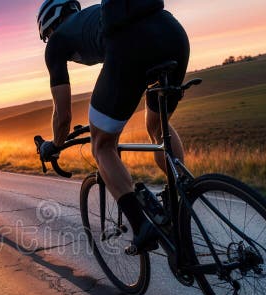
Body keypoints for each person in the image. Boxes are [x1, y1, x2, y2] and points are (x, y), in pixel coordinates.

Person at [36, 0, 189, 251]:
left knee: (102, 145)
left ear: (49, 26)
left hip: (128, 47)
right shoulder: (98, 15)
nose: (50, 39)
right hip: (172, 33)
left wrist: (54, 144)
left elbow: (63, 117)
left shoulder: (56, 43)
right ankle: (182, 194)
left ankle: (141, 227)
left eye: (47, 35)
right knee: (158, 128)